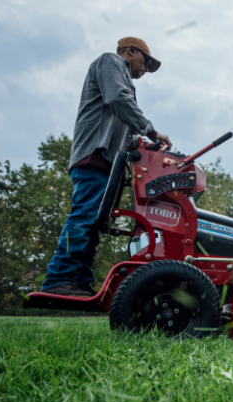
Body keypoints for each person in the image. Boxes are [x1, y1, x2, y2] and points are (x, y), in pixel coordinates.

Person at [42, 37, 172, 297]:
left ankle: (78, 283)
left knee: (93, 222)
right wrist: (152, 131)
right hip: (94, 156)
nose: (146, 69)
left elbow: (123, 130)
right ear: (131, 51)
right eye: (146, 61)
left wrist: (145, 145)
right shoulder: (110, 62)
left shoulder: (122, 82)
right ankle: (59, 278)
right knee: (84, 216)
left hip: (107, 163)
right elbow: (118, 100)